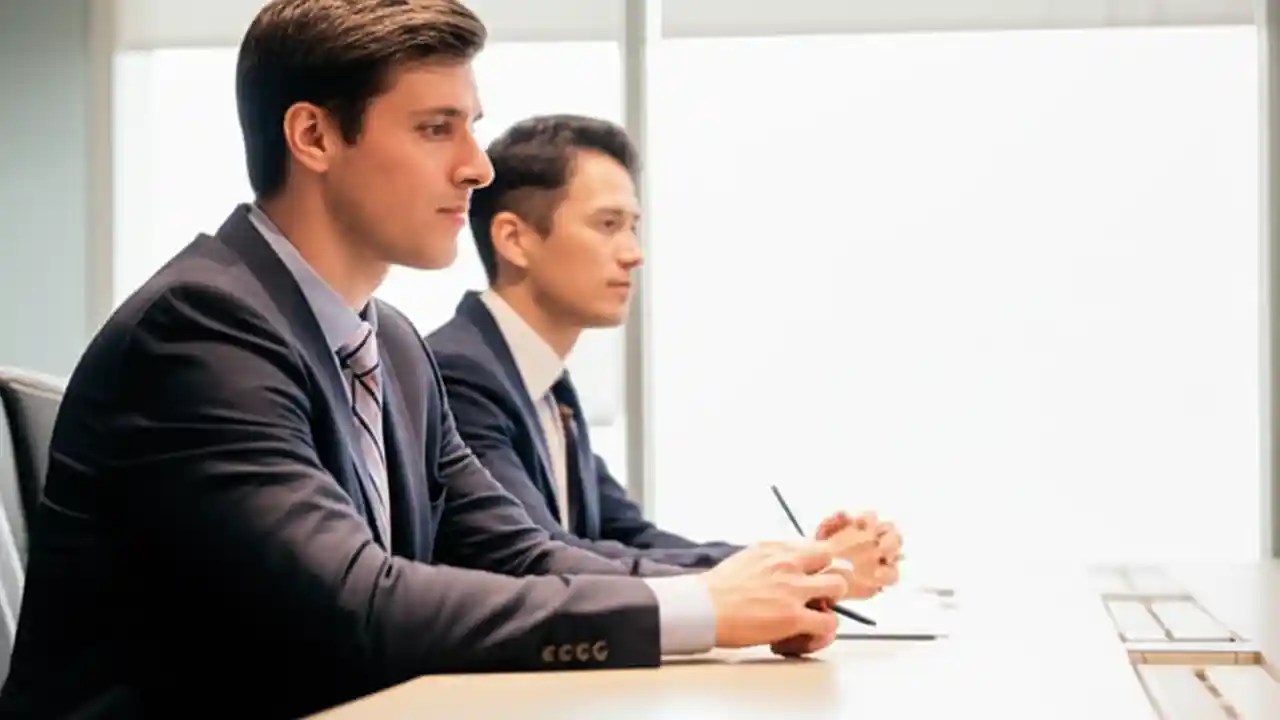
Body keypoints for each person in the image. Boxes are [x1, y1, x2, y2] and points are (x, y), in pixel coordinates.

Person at [0, 2, 900, 717]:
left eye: (472, 126)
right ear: (313, 136)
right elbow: (358, 606)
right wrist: (700, 610)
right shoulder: (202, 329)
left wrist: (749, 590)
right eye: (437, 129)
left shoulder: (388, 344)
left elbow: (521, 554)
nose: (476, 167)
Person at [428, 115, 790, 568]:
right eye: (608, 224)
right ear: (515, 239)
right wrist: (768, 575)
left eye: (632, 226)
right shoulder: (459, 374)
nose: (633, 253)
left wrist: (788, 566)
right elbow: (539, 556)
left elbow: (630, 536)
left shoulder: (545, 386)